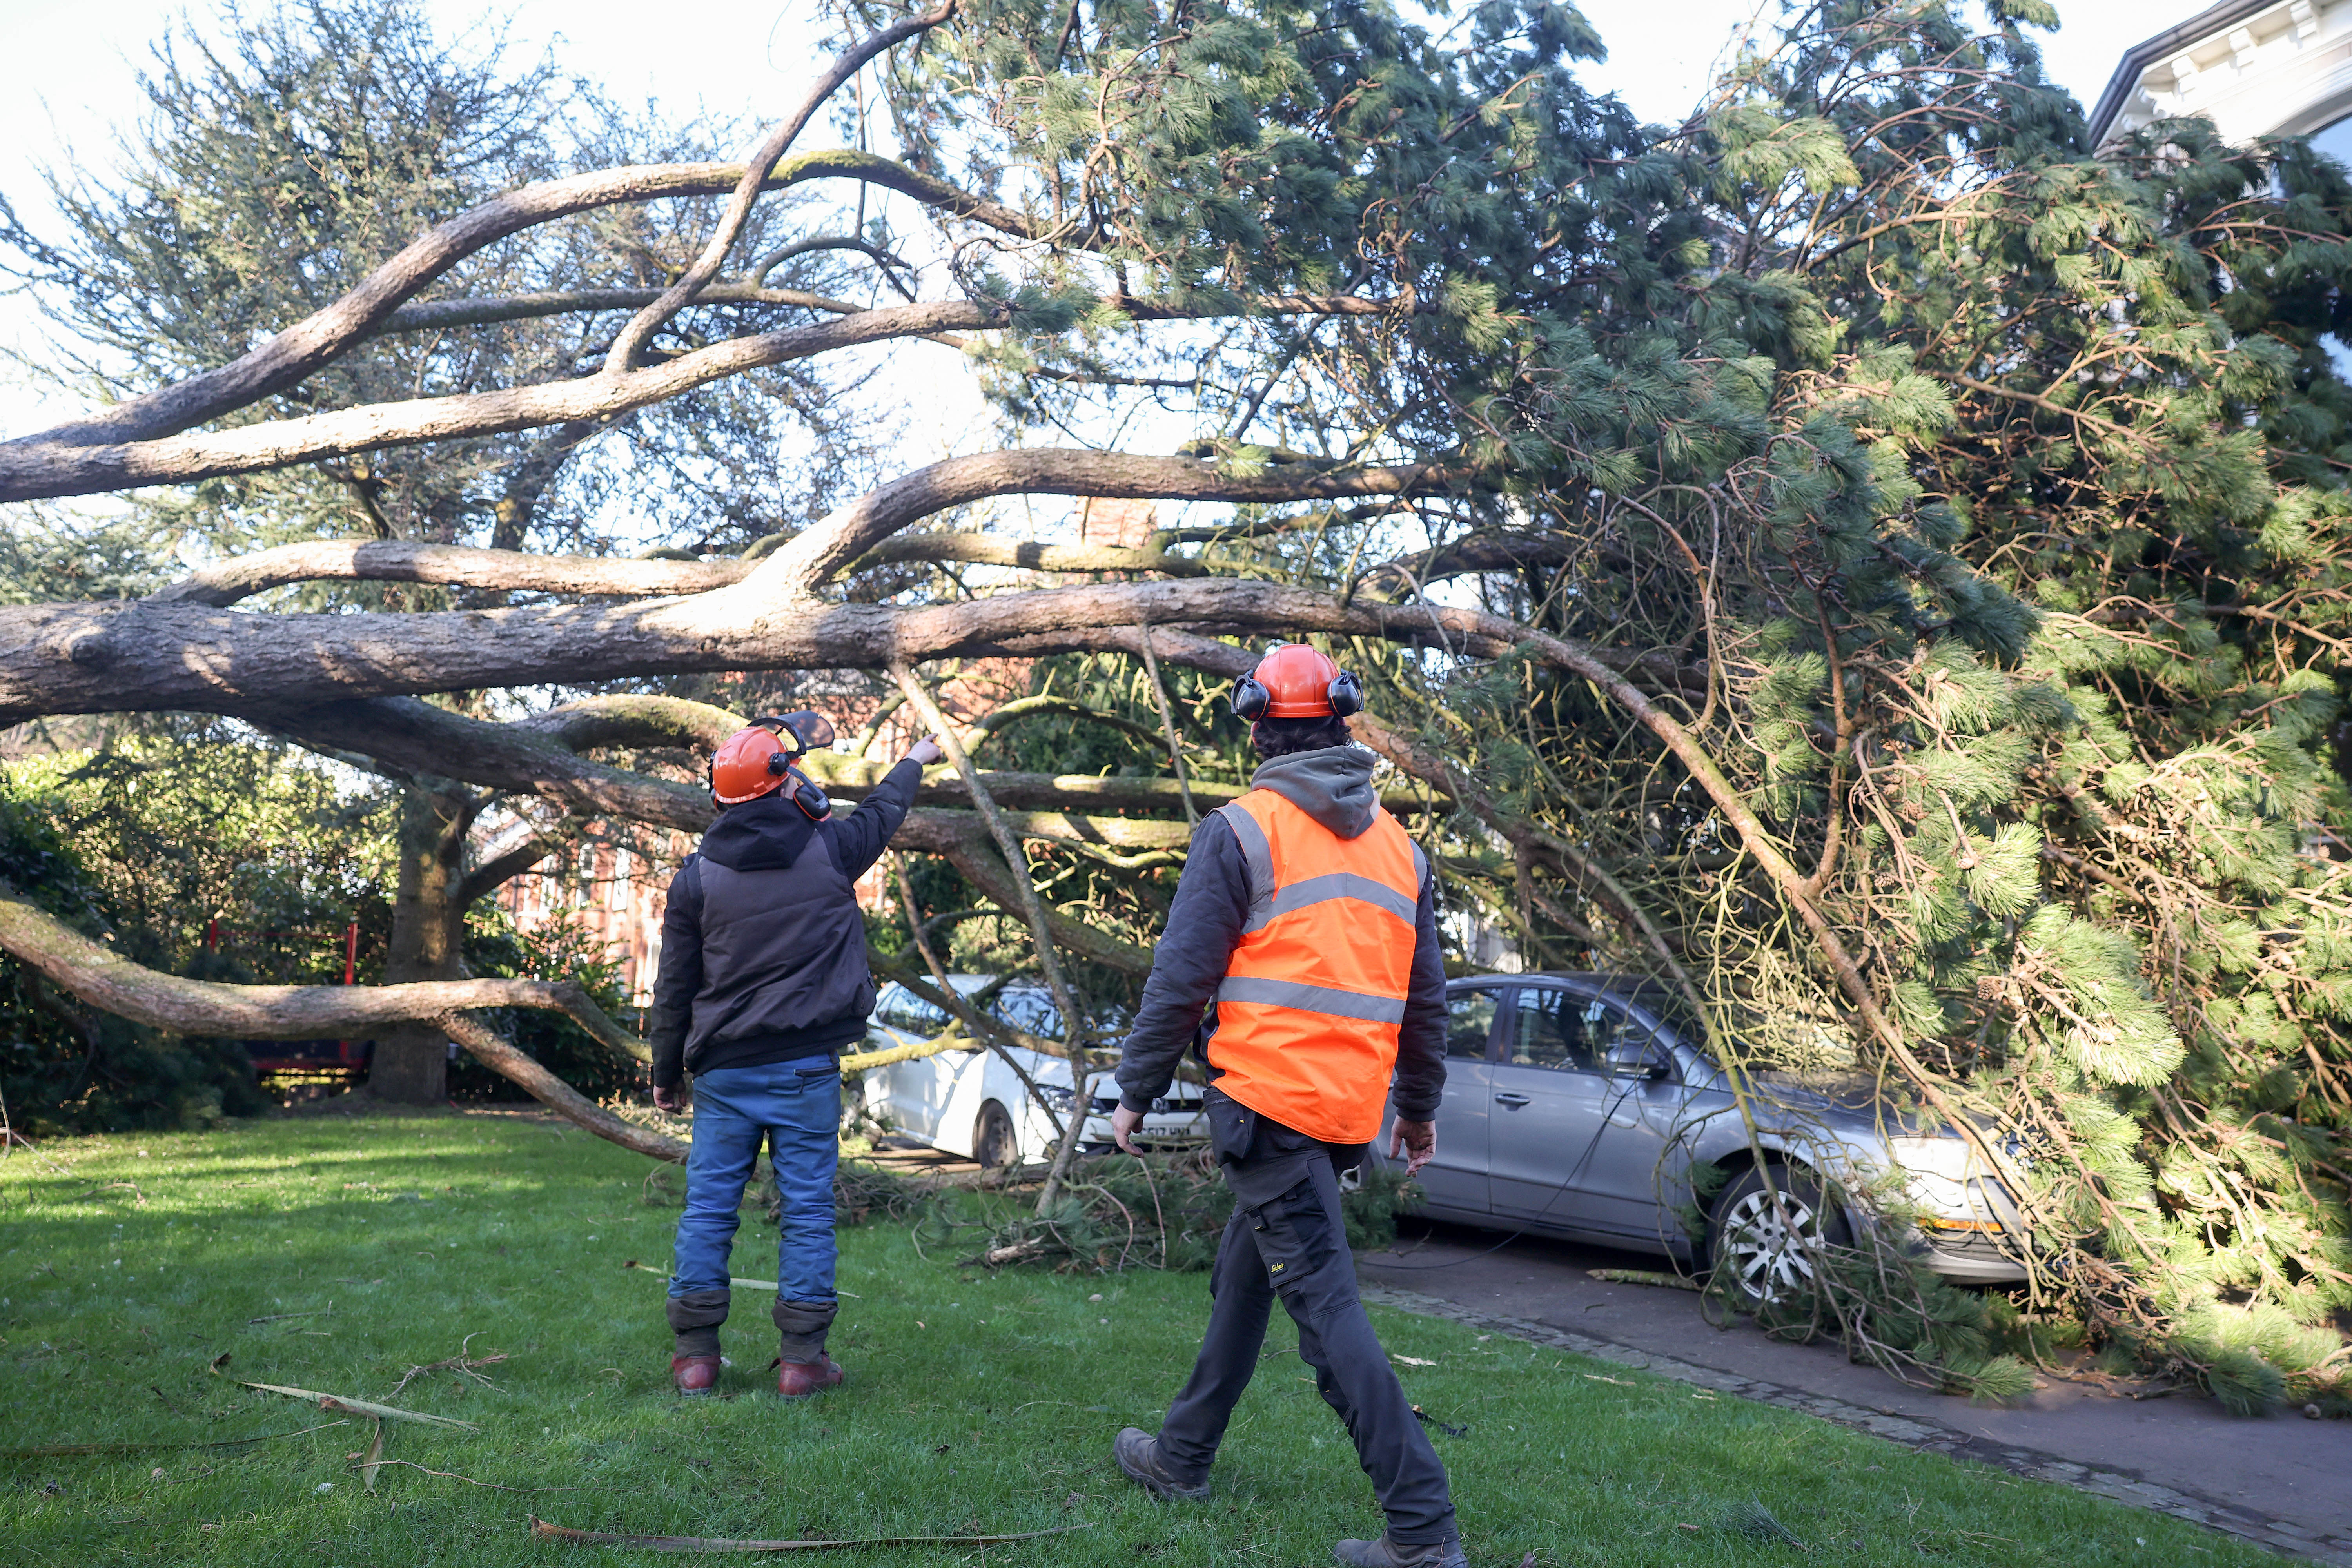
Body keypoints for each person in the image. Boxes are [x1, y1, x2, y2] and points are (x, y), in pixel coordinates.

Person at [1107, 644, 1461, 1568]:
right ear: (1343, 724)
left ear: (1259, 726)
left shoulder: (1243, 828)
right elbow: (1426, 1004)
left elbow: (1183, 974)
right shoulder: (1402, 850)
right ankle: (1181, 1456)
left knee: (1329, 1318)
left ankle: (1422, 1527)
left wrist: (1136, 1086)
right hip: (1338, 1115)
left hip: (1267, 1106)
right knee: (1246, 1273)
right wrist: (1417, 1107)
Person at [648, 710, 942, 1397]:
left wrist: (666, 1074)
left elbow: (674, 991)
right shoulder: (832, 849)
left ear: (720, 798)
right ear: (786, 785)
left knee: (709, 1209)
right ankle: (804, 1362)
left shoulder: (694, 880)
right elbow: (885, 810)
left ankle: (696, 1358)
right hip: (807, 1067)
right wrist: (918, 757)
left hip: (724, 1071)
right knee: (807, 1209)